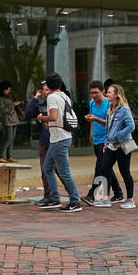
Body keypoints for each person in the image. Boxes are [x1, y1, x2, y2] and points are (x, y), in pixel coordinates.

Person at [37, 72, 81, 213]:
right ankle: (54, 198)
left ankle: (75, 201)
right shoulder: (65, 96)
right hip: (63, 137)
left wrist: (41, 118)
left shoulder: (52, 97)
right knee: (47, 167)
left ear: (49, 85)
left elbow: (54, 116)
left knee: (64, 172)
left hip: (59, 139)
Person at [95, 82, 137, 210]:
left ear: (116, 95)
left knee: (124, 171)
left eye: (109, 92)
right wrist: (107, 143)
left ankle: (130, 199)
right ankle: (106, 198)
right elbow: (109, 128)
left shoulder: (124, 110)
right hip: (111, 146)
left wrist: (118, 136)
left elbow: (131, 126)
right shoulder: (110, 109)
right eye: (107, 92)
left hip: (123, 145)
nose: (107, 94)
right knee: (104, 168)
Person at [83, 79, 123, 205]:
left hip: (106, 141)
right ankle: (118, 193)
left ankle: (92, 194)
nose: (94, 96)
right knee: (107, 168)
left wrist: (96, 119)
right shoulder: (91, 104)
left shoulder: (108, 104)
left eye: (96, 93)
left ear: (103, 92)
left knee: (100, 168)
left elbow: (111, 123)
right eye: (92, 93)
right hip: (96, 139)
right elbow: (92, 120)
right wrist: (91, 132)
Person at [26, 82, 52, 204]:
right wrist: (36, 97)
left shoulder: (59, 101)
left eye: (48, 89)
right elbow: (29, 113)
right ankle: (48, 195)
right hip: (44, 140)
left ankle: (72, 195)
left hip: (57, 140)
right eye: (44, 90)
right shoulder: (41, 103)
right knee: (45, 170)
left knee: (61, 170)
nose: (46, 92)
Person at [0, 80, 20, 162]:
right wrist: (12, 105)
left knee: (12, 138)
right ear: (3, 89)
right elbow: (3, 110)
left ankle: (9, 156)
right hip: (8, 119)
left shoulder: (8, 97)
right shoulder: (0, 98)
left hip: (14, 118)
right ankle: (0, 156)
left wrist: (14, 105)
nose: (9, 91)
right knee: (8, 138)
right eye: (7, 89)